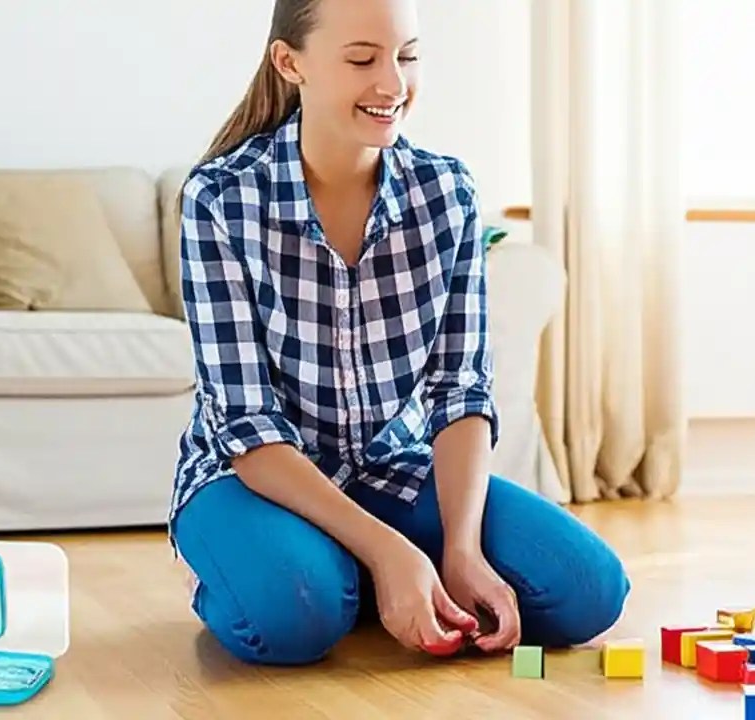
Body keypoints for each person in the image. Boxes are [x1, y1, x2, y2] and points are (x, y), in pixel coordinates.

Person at [167, 0, 630, 667]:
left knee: (591, 592)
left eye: (407, 56)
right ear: (289, 62)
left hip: (393, 473)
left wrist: (461, 548)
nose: (392, 84)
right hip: (254, 481)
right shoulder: (221, 199)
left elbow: (460, 390)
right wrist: (392, 553)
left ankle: (353, 576)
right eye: (362, 59)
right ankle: (260, 570)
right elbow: (247, 426)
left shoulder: (447, 193)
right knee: (296, 615)